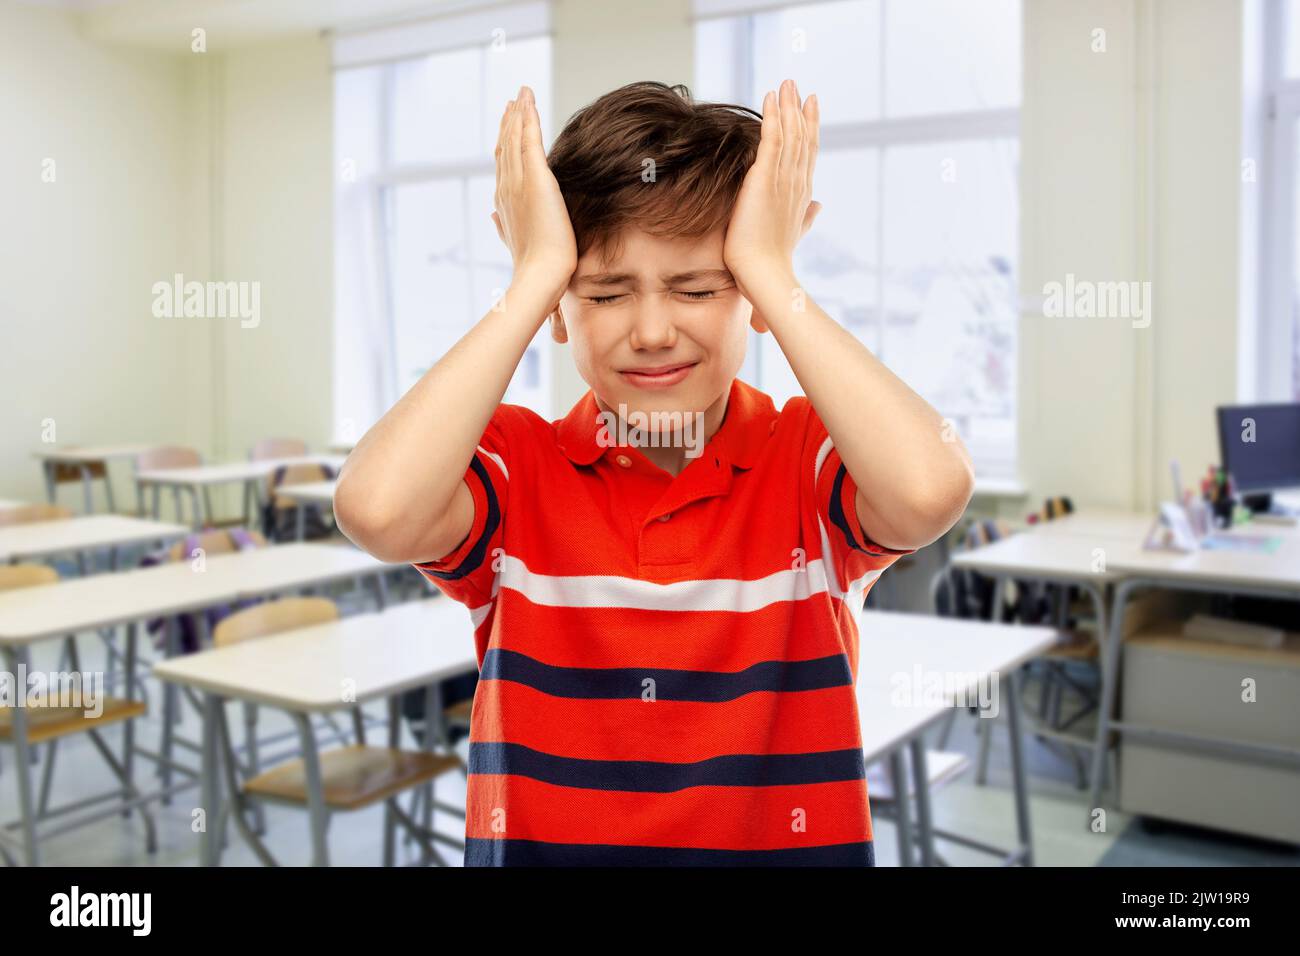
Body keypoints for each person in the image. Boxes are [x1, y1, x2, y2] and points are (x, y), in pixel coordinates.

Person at [335, 78, 975, 866]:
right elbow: (376, 509)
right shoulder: (515, 468)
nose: (650, 331)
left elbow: (927, 491)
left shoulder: (807, 462)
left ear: (754, 292)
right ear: (561, 310)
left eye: (700, 287)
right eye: (603, 291)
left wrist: (774, 274)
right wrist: (534, 277)